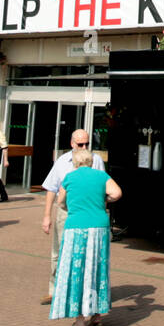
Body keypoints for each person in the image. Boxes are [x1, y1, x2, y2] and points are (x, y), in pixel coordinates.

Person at [50, 149, 121, 326]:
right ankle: (97, 316)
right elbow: (117, 193)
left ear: (75, 162)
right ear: (91, 162)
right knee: (97, 269)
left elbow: (61, 201)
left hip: (76, 227)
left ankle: (79, 320)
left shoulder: (70, 177)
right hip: (99, 227)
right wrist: (103, 200)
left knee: (77, 271)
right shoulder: (101, 176)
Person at [40, 130, 106, 305]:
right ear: (72, 144)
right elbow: (51, 188)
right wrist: (47, 216)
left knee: (85, 254)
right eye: (80, 144)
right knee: (59, 251)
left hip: (88, 214)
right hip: (66, 212)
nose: (84, 148)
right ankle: (54, 291)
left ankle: (79, 293)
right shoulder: (63, 162)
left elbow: (104, 185)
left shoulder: (96, 160)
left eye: (86, 144)